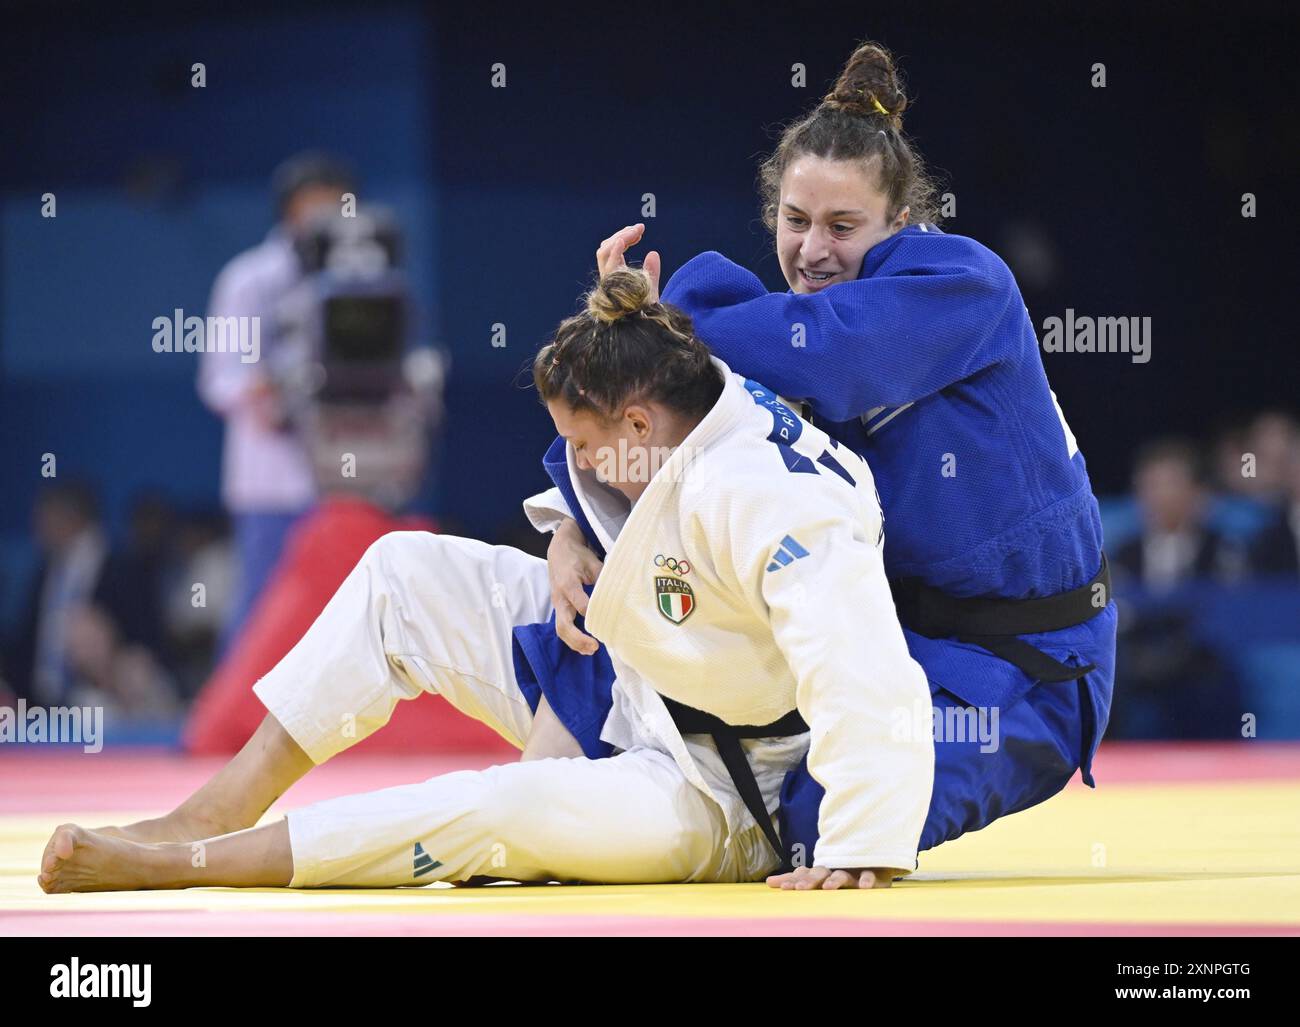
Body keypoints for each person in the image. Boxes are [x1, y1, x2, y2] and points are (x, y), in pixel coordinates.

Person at [38, 268, 932, 894]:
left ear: (634, 419)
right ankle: (212, 809)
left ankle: (203, 865)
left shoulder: (773, 501)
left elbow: (863, 669)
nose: (576, 464)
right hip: (636, 686)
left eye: (583, 445)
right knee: (402, 571)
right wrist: (566, 540)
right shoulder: (689, 402)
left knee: (503, 803)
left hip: (718, 795)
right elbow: (611, 498)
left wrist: (863, 841)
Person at [528, 40, 1117, 883]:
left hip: (1032, 666)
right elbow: (630, 424)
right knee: (608, 648)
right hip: (898, 644)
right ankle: (528, 823)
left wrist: (665, 331)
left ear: (897, 225)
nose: (813, 249)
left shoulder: (961, 285)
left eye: (844, 226)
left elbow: (839, 355)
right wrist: (568, 520)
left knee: (805, 819)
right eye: (795, 220)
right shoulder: (764, 325)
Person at [197, 152, 356, 652]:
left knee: (338, 615)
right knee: (261, 611)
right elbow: (220, 378)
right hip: (270, 483)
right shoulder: (249, 278)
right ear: (292, 209)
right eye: (320, 204)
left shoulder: (358, 278)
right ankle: (228, 727)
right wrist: (270, 388)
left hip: (342, 476)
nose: (331, 215)